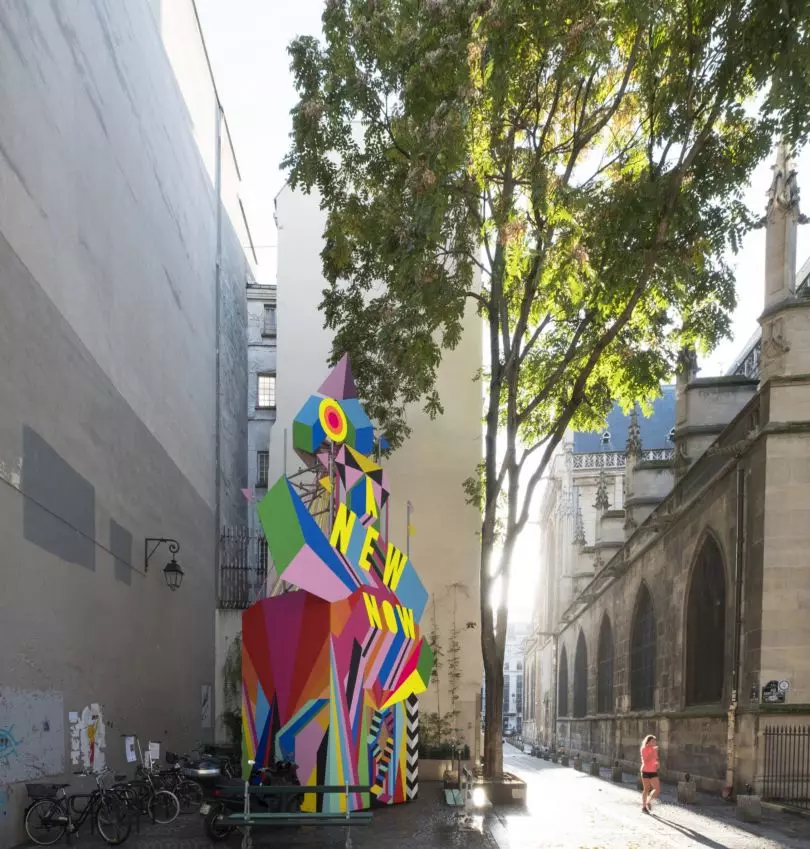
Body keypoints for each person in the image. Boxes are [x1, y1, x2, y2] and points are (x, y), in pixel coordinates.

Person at [640, 734, 660, 813]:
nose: (655, 742)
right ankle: (644, 807)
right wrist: (652, 752)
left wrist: (657, 764)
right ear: (648, 742)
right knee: (646, 789)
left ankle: (649, 802)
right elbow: (646, 760)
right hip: (645, 771)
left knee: (657, 789)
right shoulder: (644, 748)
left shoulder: (654, 749)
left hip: (653, 771)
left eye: (655, 741)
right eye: (653, 741)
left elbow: (655, 759)